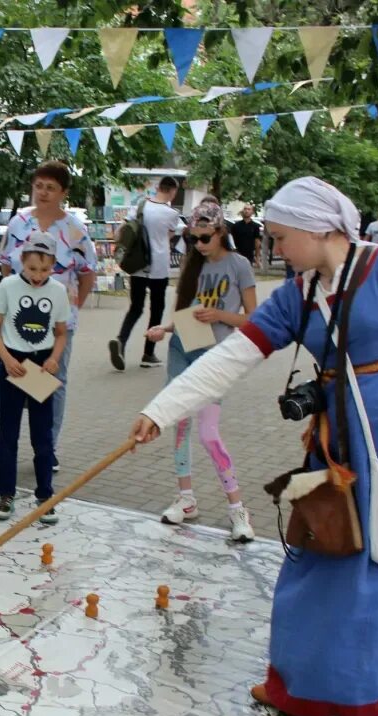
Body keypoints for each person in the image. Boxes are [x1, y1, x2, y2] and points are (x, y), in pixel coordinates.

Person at [128, 175, 378, 716]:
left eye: (281, 236)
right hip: (337, 433)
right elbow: (230, 359)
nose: (275, 247)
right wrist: (159, 411)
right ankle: (308, 682)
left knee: (374, 553)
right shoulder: (297, 294)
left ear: (319, 229)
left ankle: (345, 690)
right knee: (325, 545)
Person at [0, 161, 93, 469]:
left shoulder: (75, 230)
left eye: (51, 188)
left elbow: (87, 273)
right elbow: (6, 263)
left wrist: (72, 307)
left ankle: (47, 447)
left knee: (51, 382)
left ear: (64, 192)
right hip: (14, 323)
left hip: (54, 325)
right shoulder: (19, 222)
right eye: (39, 185)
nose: (43, 192)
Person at [143, 198, 257, 542]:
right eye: (193, 239)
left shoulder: (239, 266)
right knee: (179, 426)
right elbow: (187, 314)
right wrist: (164, 329)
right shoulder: (194, 266)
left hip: (214, 358)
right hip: (183, 348)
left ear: (222, 232)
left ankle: (237, 508)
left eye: (205, 238)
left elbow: (253, 319)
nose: (198, 245)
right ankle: (186, 498)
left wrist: (220, 315)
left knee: (209, 434)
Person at [0, 230, 70, 523]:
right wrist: (7, 359)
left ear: (53, 267)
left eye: (45, 269)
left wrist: (53, 359)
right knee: (8, 433)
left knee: (42, 436)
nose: (38, 276)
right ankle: (5, 495)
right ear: (22, 261)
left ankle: (45, 495)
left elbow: (61, 333)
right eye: (33, 268)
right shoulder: (8, 286)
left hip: (38, 367)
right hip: (13, 362)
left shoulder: (57, 291)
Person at [110, 176, 182, 371]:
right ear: (172, 191)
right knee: (156, 310)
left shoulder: (140, 206)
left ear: (157, 187)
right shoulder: (171, 214)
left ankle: (121, 341)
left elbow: (123, 231)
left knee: (136, 307)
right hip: (159, 267)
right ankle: (148, 353)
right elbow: (169, 236)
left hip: (138, 264)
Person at [229, 203, 263, 268]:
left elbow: (257, 242)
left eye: (249, 209)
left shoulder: (255, 226)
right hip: (237, 254)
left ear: (252, 212)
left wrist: (257, 258)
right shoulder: (236, 226)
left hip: (249, 255)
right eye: (245, 209)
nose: (246, 211)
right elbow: (231, 241)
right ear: (242, 211)